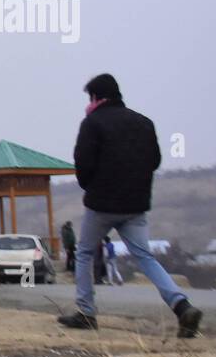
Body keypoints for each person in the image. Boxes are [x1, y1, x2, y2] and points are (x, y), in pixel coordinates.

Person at [58, 74, 202, 337]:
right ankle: (181, 306)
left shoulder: (92, 123)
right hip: (136, 205)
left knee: (84, 253)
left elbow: (83, 164)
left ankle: (86, 312)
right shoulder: (144, 123)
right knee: (145, 257)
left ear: (95, 97)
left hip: (101, 205)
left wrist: (92, 186)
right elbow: (155, 161)